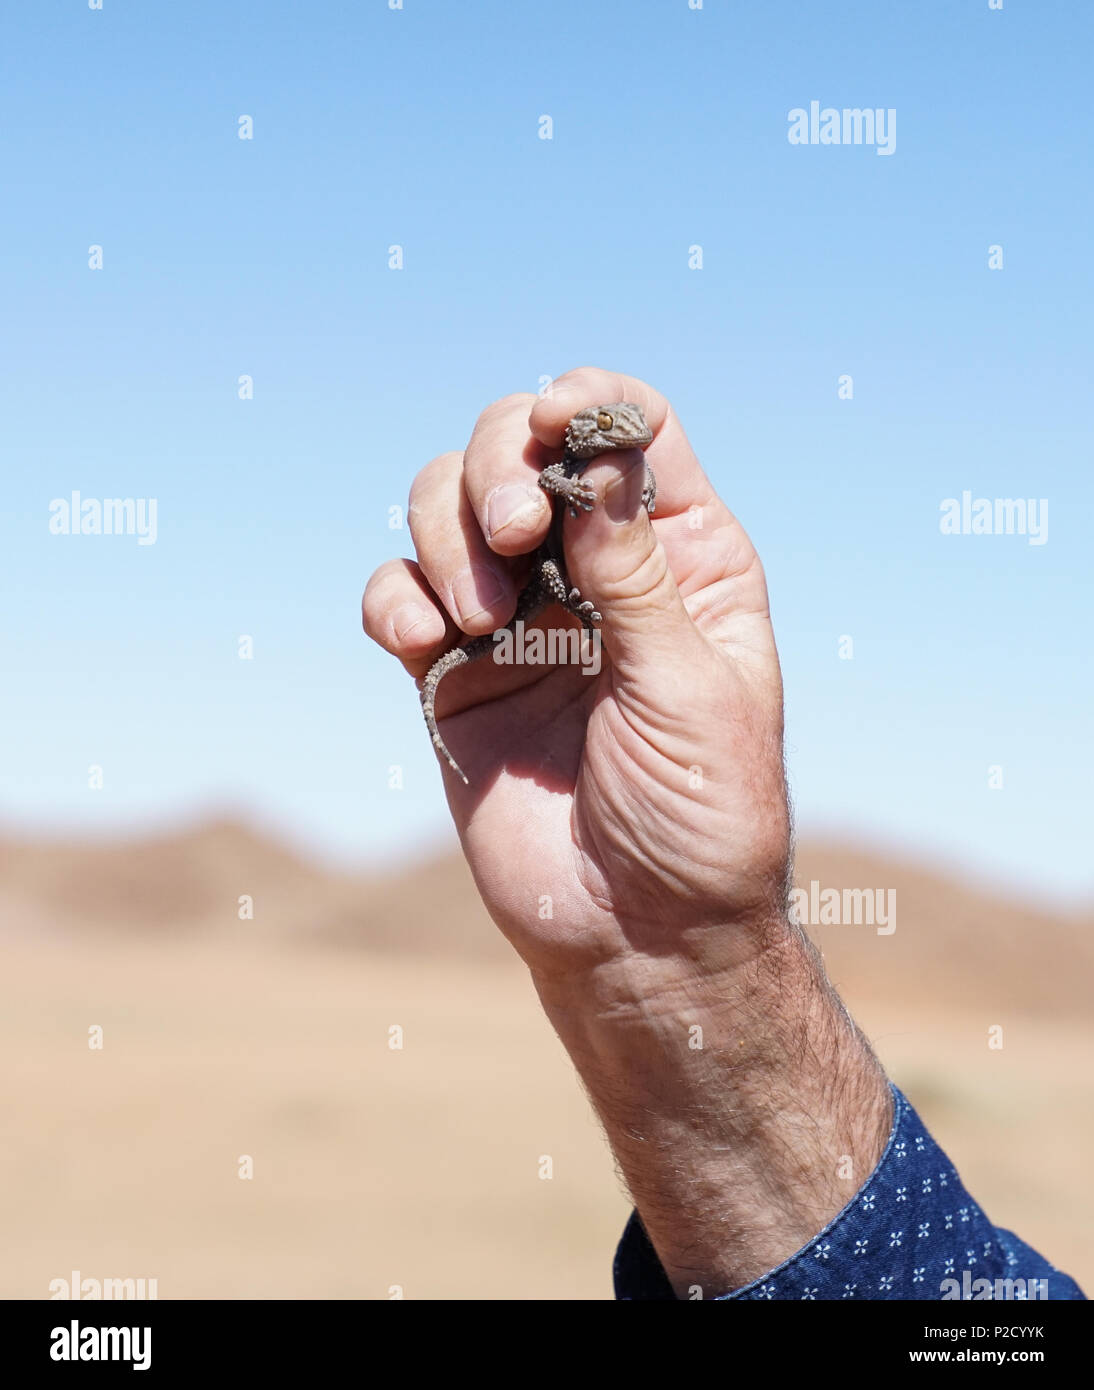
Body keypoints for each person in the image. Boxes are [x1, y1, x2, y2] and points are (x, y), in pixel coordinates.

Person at [362, 367, 1084, 1301]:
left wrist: (679, 953)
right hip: (534, 614)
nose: (619, 438)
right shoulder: (571, 490)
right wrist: (680, 961)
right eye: (606, 435)